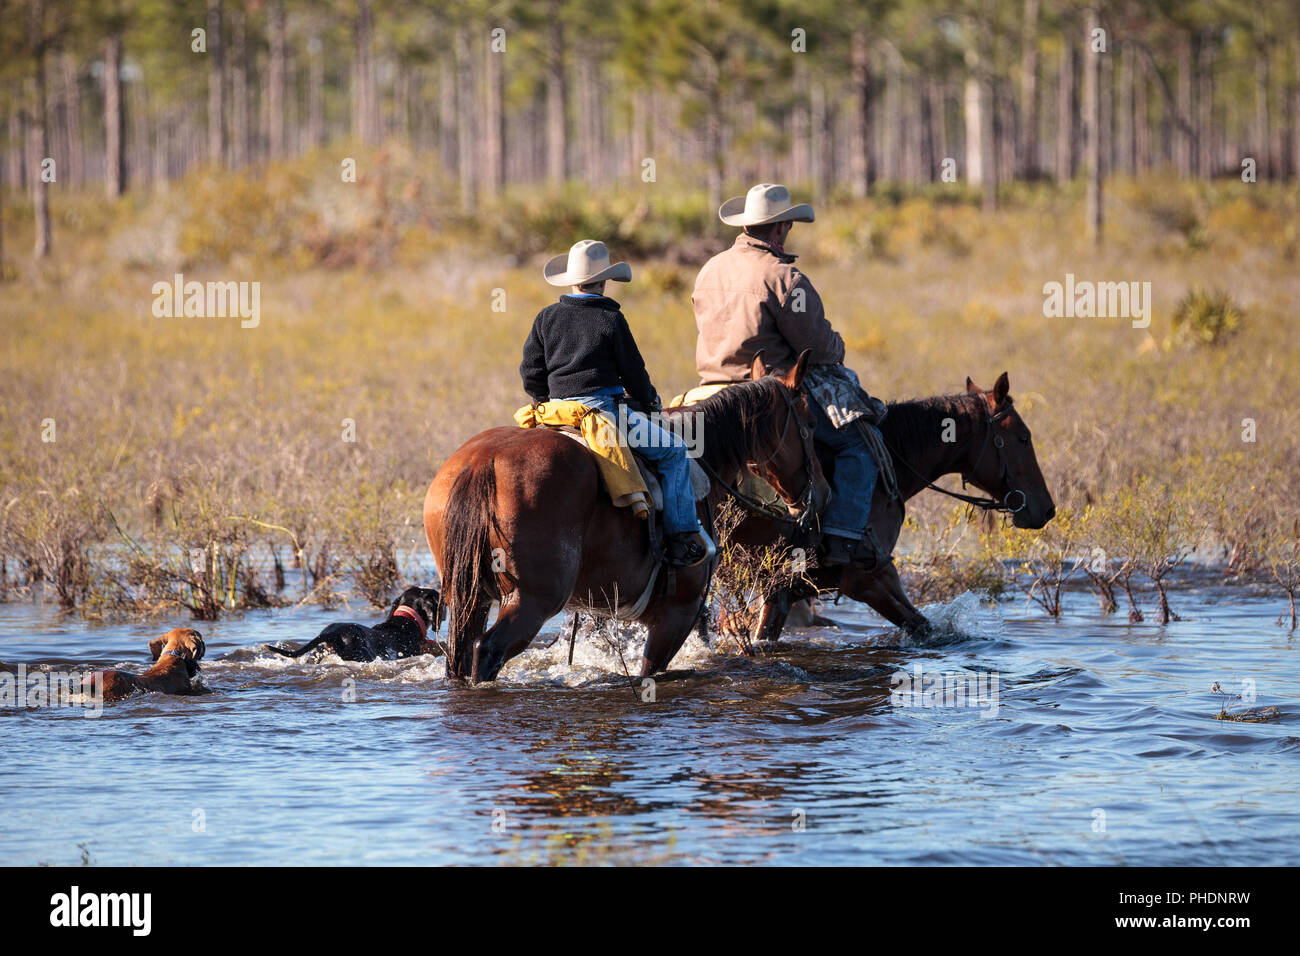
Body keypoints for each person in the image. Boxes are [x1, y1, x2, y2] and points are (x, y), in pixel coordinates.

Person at [692, 183, 884, 567]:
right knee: (860, 444)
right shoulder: (784, 278)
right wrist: (838, 344)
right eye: (789, 226)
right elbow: (819, 346)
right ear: (780, 229)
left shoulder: (709, 269)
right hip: (768, 395)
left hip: (707, 392)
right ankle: (842, 541)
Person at [521, 239, 711, 567]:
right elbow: (634, 373)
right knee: (675, 452)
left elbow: (530, 371)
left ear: (571, 280)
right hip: (605, 413)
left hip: (555, 413)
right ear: (605, 281)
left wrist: (544, 400)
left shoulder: (546, 317)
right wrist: (649, 401)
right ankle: (681, 537)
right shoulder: (610, 319)